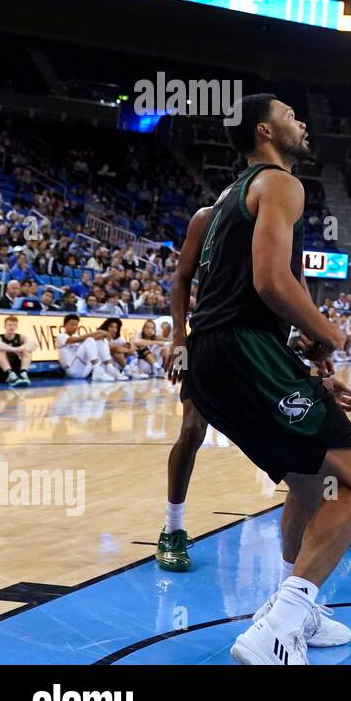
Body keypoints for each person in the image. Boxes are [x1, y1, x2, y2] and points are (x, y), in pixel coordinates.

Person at [179, 94, 351, 665]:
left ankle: (296, 612)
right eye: (291, 115)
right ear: (265, 131)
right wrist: (331, 336)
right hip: (243, 348)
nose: (302, 122)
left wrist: (302, 360)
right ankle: (278, 627)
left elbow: (235, 288)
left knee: (313, 485)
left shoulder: (222, 201)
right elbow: (270, 282)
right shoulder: (281, 183)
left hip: (212, 357)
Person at [155, 205, 215, 572]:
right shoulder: (207, 217)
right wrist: (179, 334)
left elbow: (294, 282)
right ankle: (171, 528)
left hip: (261, 344)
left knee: (289, 433)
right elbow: (181, 276)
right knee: (191, 430)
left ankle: (315, 522)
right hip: (209, 339)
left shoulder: (284, 216)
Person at [0, 314, 35, 386]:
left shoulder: (21, 337)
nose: (12, 327)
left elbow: (34, 344)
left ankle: (23, 373)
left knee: (27, 350)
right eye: (9, 325)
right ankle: (10, 374)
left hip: (16, 370)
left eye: (14, 325)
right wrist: (14, 349)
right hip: (1, 372)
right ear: (5, 326)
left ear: (17, 327)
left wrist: (22, 348)